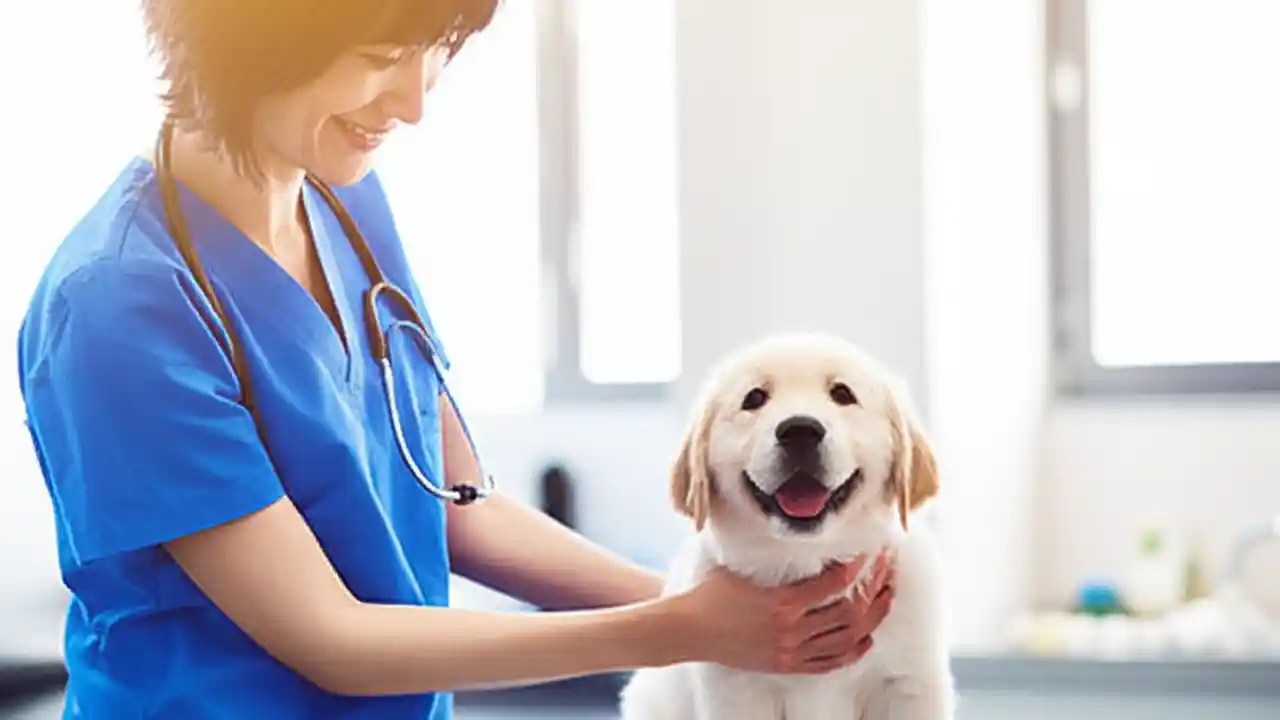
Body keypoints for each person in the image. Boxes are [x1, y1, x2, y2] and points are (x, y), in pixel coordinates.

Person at [16, 1, 895, 717]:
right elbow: (334, 641)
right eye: (378, 53)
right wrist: (687, 628)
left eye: (432, 51)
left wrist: (742, 605)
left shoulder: (345, 202)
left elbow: (459, 508)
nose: (412, 102)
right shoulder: (116, 306)